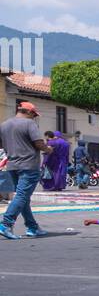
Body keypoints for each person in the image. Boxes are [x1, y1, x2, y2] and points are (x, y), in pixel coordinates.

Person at [0, 99, 49, 239]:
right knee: (22, 196)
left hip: (12, 166)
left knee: (24, 197)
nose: (34, 117)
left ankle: (32, 227)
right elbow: (38, 143)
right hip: (28, 165)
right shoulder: (29, 123)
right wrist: (48, 149)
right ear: (28, 112)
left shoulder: (4, 125)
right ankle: (6, 224)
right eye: (33, 114)